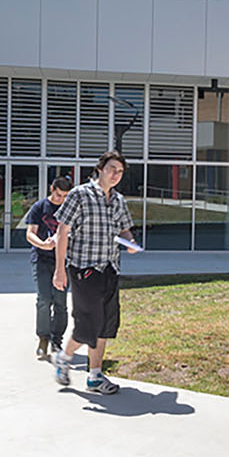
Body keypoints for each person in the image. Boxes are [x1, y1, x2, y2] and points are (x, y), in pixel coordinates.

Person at [51, 152, 141, 395]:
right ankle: (64, 356)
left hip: (110, 268)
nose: (115, 174)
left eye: (120, 171)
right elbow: (62, 232)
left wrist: (131, 242)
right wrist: (60, 270)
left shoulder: (119, 200)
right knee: (87, 325)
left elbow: (125, 230)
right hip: (84, 269)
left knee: (105, 325)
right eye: (112, 169)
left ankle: (94, 377)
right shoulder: (80, 195)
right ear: (100, 169)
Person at [22, 175, 72, 360]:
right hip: (42, 259)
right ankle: (43, 338)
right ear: (52, 189)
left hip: (65, 261)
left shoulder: (70, 209)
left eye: (66, 196)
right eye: (59, 195)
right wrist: (43, 244)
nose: (62, 200)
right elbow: (30, 234)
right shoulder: (39, 207)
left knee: (60, 302)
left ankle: (56, 339)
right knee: (44, 298)